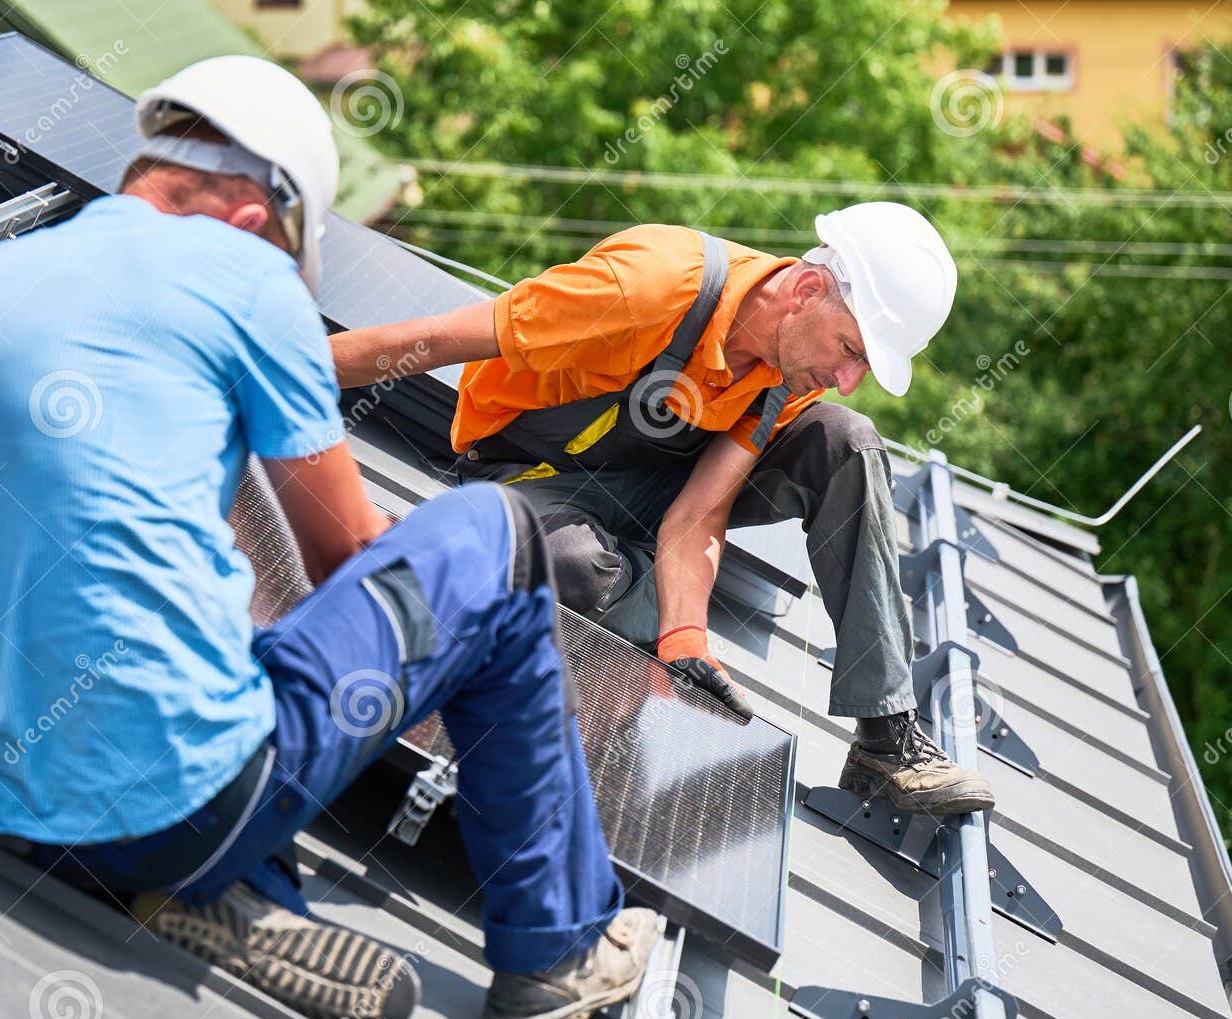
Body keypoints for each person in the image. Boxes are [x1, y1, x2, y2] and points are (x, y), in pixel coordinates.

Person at [0, 55, 658, 1019]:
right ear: (259, 222)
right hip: (166, 809)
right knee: (490, 539)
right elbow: (348, 560)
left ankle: (229, 887)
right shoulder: (246, 278)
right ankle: (560, 948)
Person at [330, 207, 994, 815]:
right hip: (534, 474)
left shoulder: (785, 372)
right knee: (571, 566)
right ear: (804, 291)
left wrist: (684, 642)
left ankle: (887, 734)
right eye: (850, 349)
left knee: (846, 438)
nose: (847, 378)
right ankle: (619, 579)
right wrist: (274, 373)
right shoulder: (649, 285)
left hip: (657, 492)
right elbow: (434, 339)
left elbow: (699, 511)